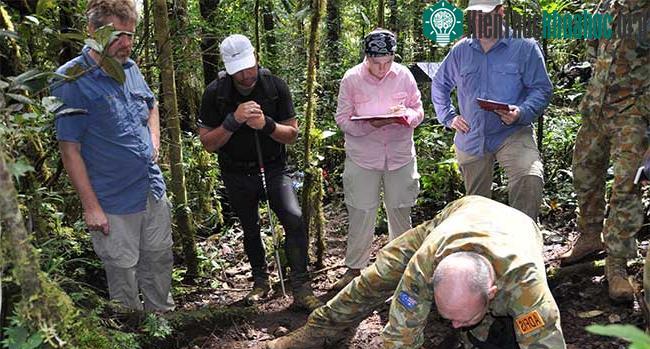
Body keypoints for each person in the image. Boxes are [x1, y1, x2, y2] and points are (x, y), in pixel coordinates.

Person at [265, 196, 570, 349]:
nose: (452, 326)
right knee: (376, 277)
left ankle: (482, 331)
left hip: (516, 228)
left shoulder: (526, 287)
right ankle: (320, 329)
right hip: (456, 217)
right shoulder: (424, 267)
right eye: (445, 316)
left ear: (492, 295)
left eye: (461, 319)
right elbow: (398, 340)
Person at [52, 0, 174, 313]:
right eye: (118, 35)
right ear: (93, 31)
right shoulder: (72, 79)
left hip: (150, 188)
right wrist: (91, 207)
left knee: (159, 256)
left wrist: (154, 142)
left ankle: (163, 324)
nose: (127, 44)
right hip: (112, 198)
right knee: (122, 269)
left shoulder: (131, 70)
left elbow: (152, 106)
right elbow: (70, 149)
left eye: (131, 35)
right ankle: (133, 341)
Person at [197, 34, 320, 311]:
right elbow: (208, 143)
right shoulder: (215, 93)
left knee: (293, 217)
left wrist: (266, 124)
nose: (246, 75)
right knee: (250, 228)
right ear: (229, 69)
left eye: (249, 67)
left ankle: (301, 285)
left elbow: (292, 135)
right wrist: (233, 121)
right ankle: (260, 281)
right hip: (235, 173)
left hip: (274, 168)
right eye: (239, 70)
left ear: (256, 59)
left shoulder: (274, 86)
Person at [559, 0, 649, 302]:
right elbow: (594, 49)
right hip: (596, 110)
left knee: (627, 186)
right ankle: (589, 236)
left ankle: (617, 264)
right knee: (584, 173)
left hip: (634, 114)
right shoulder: (606, 6)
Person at [431, 0, 552, 221]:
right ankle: (480, 250)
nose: (479, 21)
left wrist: (521, 112)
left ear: (501, 12)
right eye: (475, 15)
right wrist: (448, 116)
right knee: (475, 205)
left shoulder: (524, 47)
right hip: (472, 134)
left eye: (485, 15)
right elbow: (440, 84)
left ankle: (522, 243)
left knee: (529, 176)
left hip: (513, 131)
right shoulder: (461, 50)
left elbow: (542, 89)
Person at [331, 28, 424, 291]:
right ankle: (354, 269)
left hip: (400, 155)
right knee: (361, 211)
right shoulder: (351, 79)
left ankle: (403, 266)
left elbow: (418, 110)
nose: (382, 69)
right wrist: (369, 125)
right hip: (363, 157)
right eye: (376, 63)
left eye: (387, 62)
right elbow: (342, 118)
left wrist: (406, 114)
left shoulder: (404, 75)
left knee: (400, 209)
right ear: (366, 57)